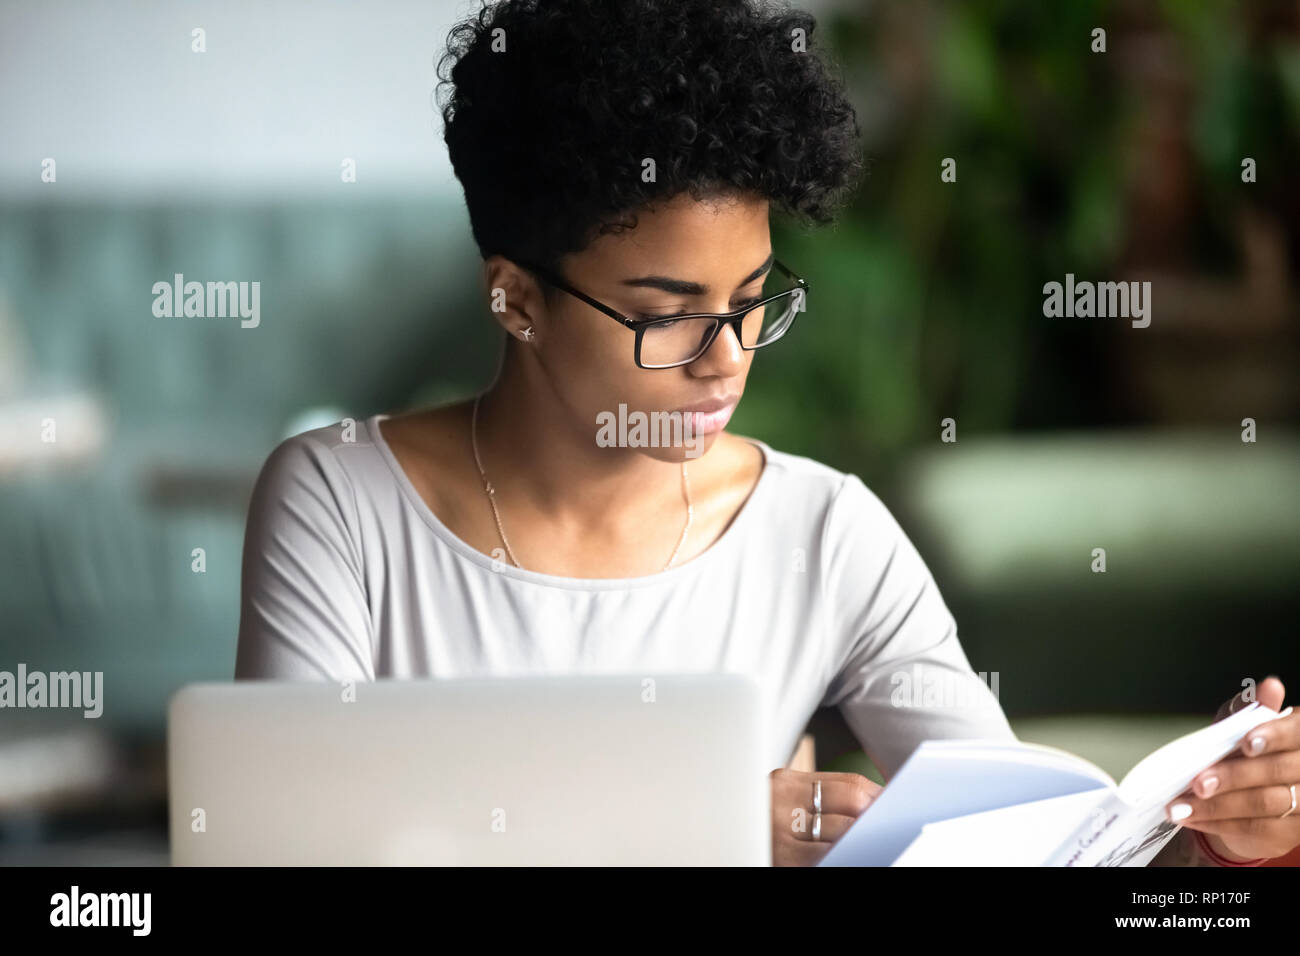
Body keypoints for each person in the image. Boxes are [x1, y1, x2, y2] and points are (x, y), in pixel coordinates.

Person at [234, 0, 1298, 867]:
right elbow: (274, 843)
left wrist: (1209, 837)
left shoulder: (822, 529)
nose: (728, 354)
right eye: (667, 315)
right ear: (515, 299)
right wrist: (703, 824)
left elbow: (1021, 844)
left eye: (751, 298)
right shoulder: (340, 502)